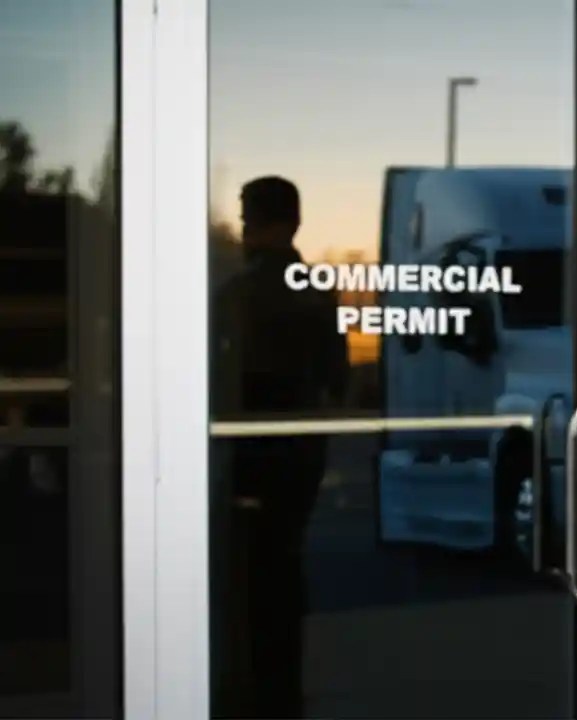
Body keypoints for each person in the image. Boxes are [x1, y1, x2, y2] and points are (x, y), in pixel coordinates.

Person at [211, 175, 348, 718]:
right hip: (300, 458)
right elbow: (337, 380)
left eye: (247, 219)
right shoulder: (316, 292)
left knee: (249, 580)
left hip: (249, 458)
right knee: (282, 573)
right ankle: (281, 690)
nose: (244, 230)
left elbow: (220, 384)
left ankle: (257, 693)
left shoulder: (237, 295)